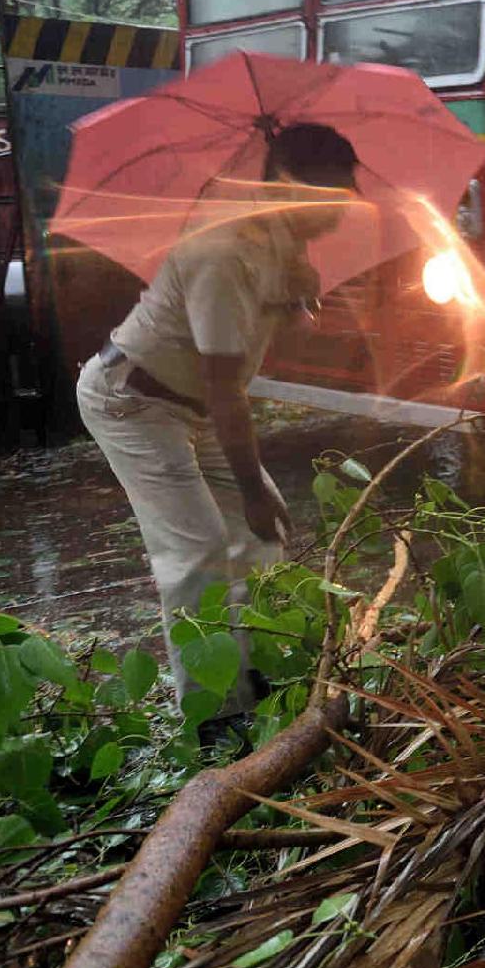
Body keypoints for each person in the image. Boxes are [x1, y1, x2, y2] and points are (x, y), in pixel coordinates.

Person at [77, 124, 359, 721]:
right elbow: (226, 388)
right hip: (133, 402)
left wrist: (295, 294)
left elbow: (241, 353)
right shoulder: (227, 246)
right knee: (197, 553)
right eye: (334, 194)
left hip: (191, 406)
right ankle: (214, 718)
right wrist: (252, 487)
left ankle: (259, 672)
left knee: (265, 534)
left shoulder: (278, 232)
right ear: (288, 184)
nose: (344, 207)